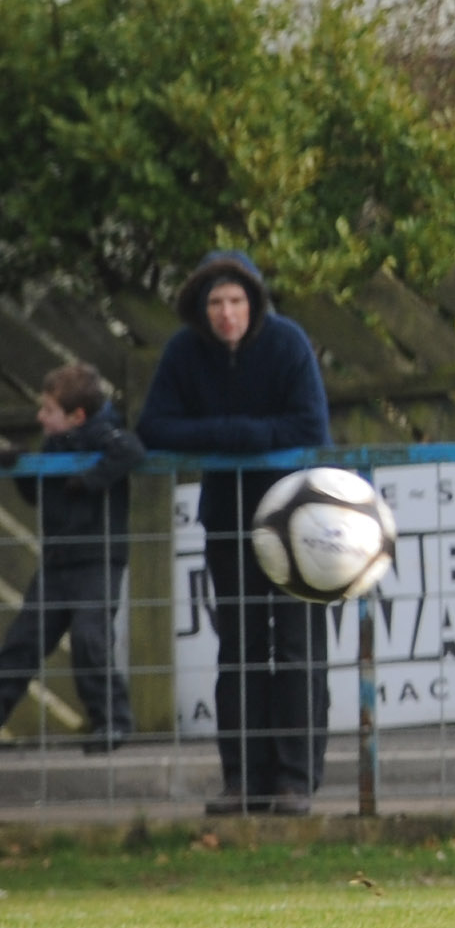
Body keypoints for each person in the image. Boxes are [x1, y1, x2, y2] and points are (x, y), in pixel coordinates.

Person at [139, 250, 333, 816]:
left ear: (254, 303)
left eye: (237, 301)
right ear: (202, 309)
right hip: (227, 520)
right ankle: (242, 780)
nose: (227, 313)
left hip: (298, 519)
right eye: (216, 303)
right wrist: (240, 437)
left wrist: (221, 438)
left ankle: (296, 780)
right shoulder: (183, 353)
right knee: (240, 649)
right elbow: (154, 427)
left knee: (297, 647)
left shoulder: (288, 343)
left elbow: (309, 426)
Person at [0, 364, 142, 752]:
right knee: (23, 642)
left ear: (77, 416)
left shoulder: (106, 436)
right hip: (58, 562)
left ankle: (112, 721)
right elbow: (39, 496)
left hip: (97, 561)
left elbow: (131, 451)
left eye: (48, 409)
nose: (40, 417)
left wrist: (89, 480)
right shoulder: (53, 445)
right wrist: (24, 469)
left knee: (89, 639)